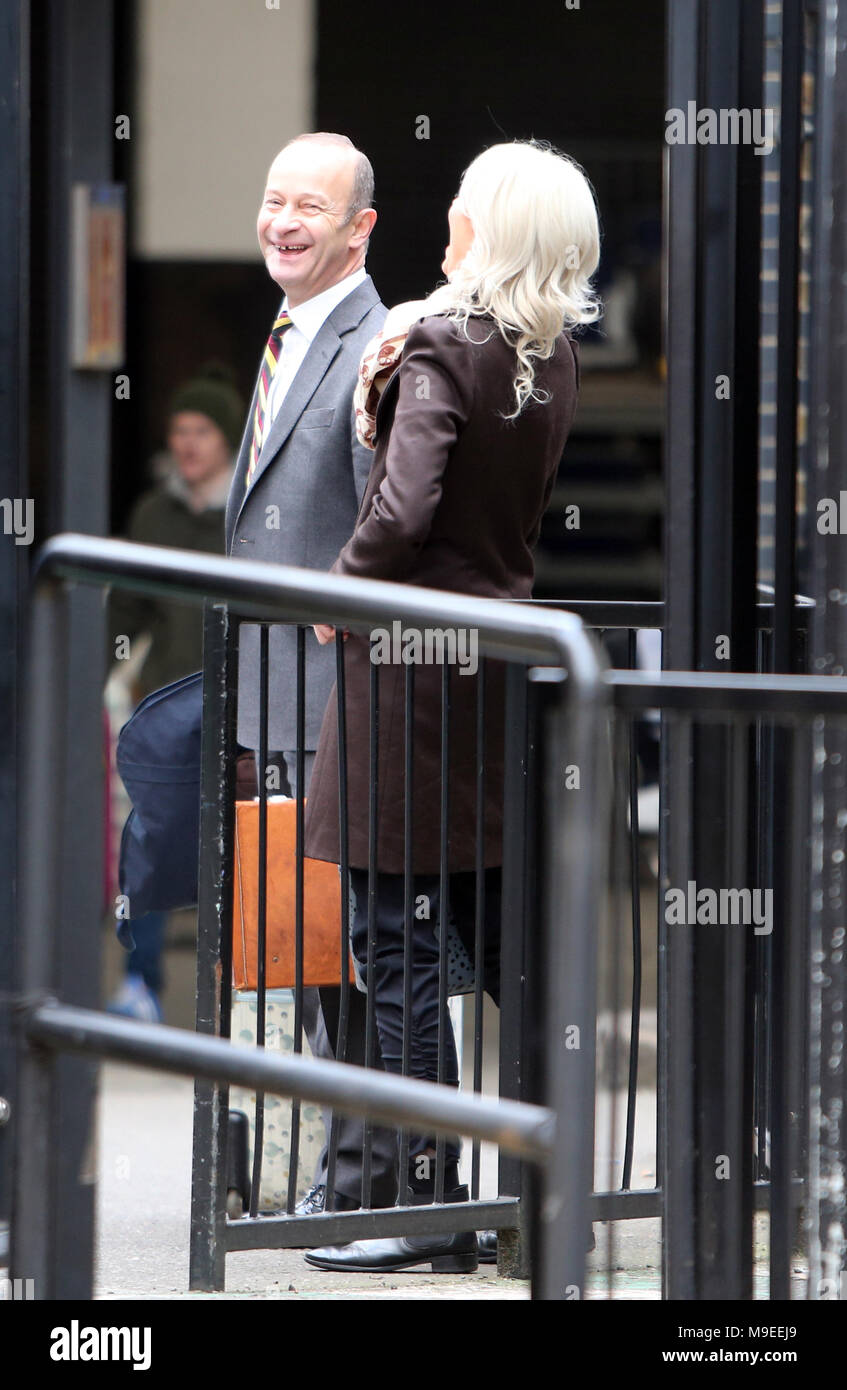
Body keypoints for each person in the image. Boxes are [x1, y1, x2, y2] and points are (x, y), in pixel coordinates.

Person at [301, 140, 601, 1273]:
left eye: (465, 207)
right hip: (492, 674)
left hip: (406, 684)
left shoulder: (439, 343)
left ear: (491, 228)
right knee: (488, 943)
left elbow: (407, 500)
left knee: (395, 950)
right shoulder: (547, 353)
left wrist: (338, 584)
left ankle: (432, 1207)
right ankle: (519, 1196)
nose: (448, 219)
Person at [224, 132, 398, 1213]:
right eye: (273, 198)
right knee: (321, 952)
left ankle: (376, 1180)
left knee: (363, 954)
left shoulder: (374, 343)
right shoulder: (295, 329)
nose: (283, 221)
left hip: (334, 701)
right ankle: (356, 1175)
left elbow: (387, 517)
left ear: (359, 229)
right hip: (275, 694)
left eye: (310, 208)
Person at [107, 366, 244, 1021]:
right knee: (156, 841)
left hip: (240, 704)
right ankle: (141, 985)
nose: (188, 443)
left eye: (202, 431)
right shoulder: (152, 514)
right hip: (164, 704)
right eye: (178, 431)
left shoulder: (250, 510)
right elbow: (125, 608)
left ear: (227, 440)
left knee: (240, 845)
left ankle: (237, 986)